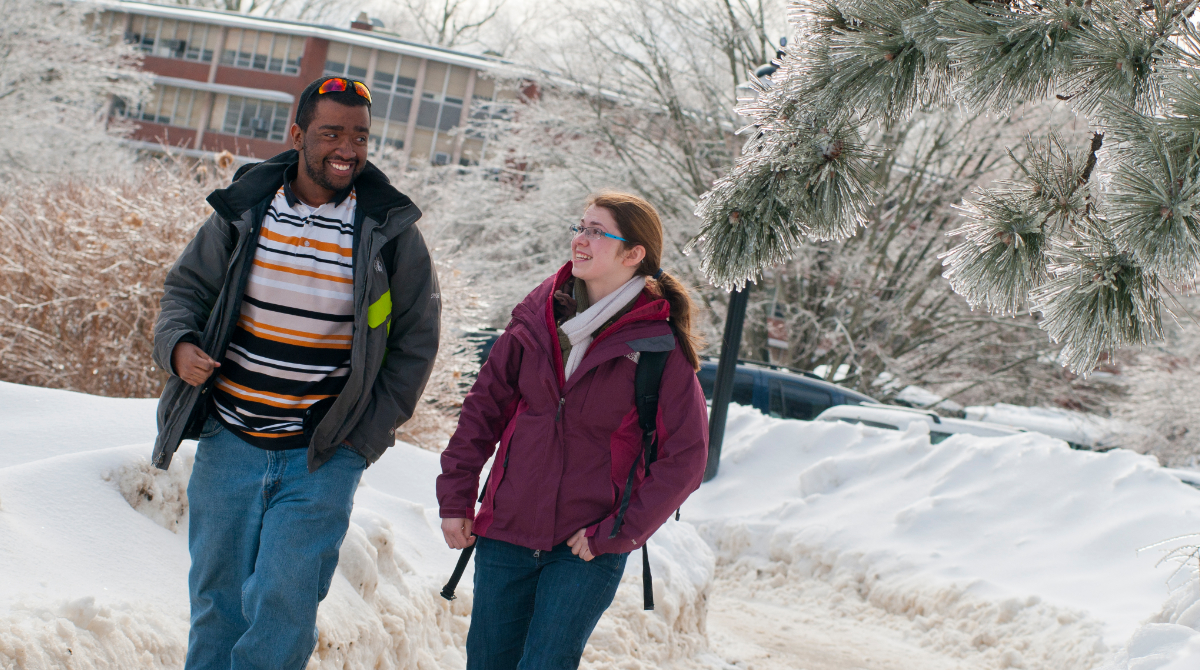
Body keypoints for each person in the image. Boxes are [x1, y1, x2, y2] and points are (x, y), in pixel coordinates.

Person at [151, 76, 440, 670]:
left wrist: (360, 442)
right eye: (332, 132)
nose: (347, 148)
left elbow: (415, 343)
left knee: (284, 604)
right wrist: (178, 347)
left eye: (359, 136)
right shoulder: (245, 212)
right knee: (217, 602)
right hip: (229, 439)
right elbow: (186, 290)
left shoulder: (389, 233)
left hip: (320, 456)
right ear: (298, 135)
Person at [436, 192, 709, 670]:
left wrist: (617, 533)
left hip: (585, 548)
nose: (579, 240)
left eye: (596, 232)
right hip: (507, 531)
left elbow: (685, 458)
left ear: (633, 254)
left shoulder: (657, 348)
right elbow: (483, 412)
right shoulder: (535, 321)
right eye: (579, 227)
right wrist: (457, 496)